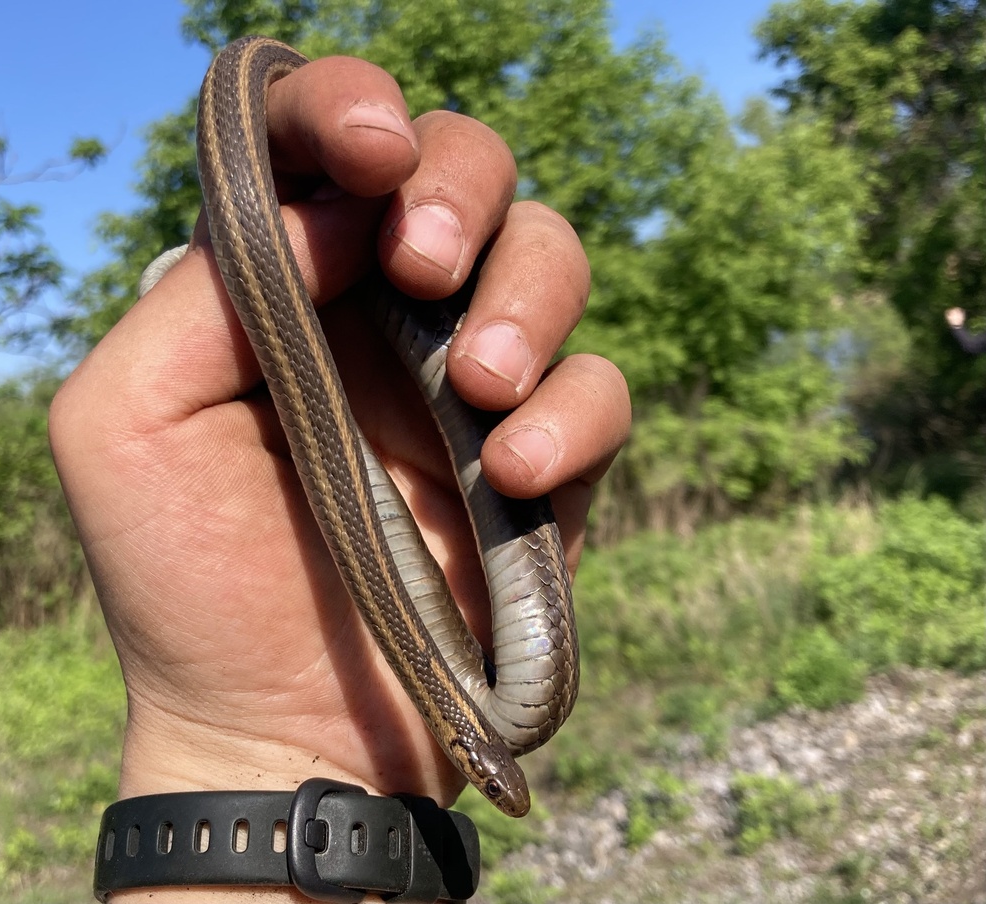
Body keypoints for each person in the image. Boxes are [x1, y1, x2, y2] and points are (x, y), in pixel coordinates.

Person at [48, 53, 631, 902]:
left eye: (498, 782)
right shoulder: (466, 704)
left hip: (401, 510)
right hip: (344, 316)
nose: (507, 792)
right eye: (495, 780)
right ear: (475, 753)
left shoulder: (456, 694)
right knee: (385, 210)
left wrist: (272, 764)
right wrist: (239, 748)